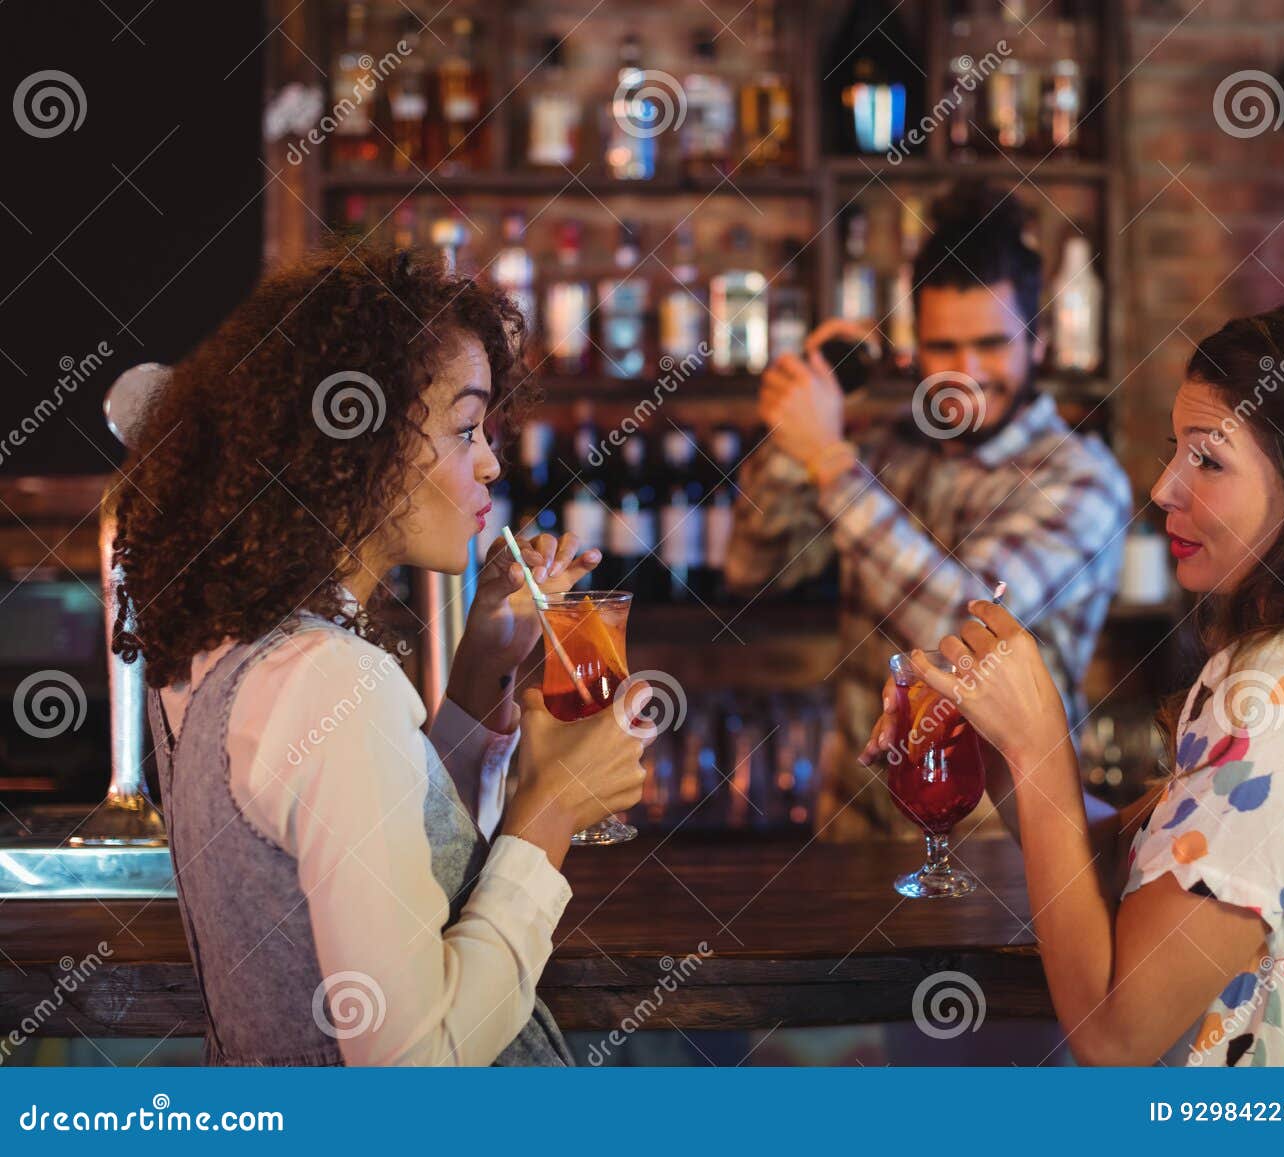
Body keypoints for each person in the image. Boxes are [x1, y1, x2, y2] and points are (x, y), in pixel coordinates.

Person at [864, 301, 1284, 1065]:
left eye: (1208, 460)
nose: (1163, 489)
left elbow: (1115, 1035)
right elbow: (1134, 876)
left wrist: (1043, 742)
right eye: (1174, 451)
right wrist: (1004, 743)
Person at [112, 243, 647, 1066]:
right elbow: (412, 1074)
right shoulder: (331, 678)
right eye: (465, 427)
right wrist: (554, 808)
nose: (491, 460)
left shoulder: (238, 649)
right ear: (359, 441)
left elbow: (383, 858)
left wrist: (478, 677)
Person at [728, 181, 1132, 838]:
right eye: (943, 347)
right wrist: (798, 424)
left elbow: (959, 632)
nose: (965, 371)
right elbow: (753, 567)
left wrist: (829, 456)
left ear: (1040, 340)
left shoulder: (1083, 481)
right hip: (855, 833)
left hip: (999, 845)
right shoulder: (890, 453)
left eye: (992, 344)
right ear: (917, 346)